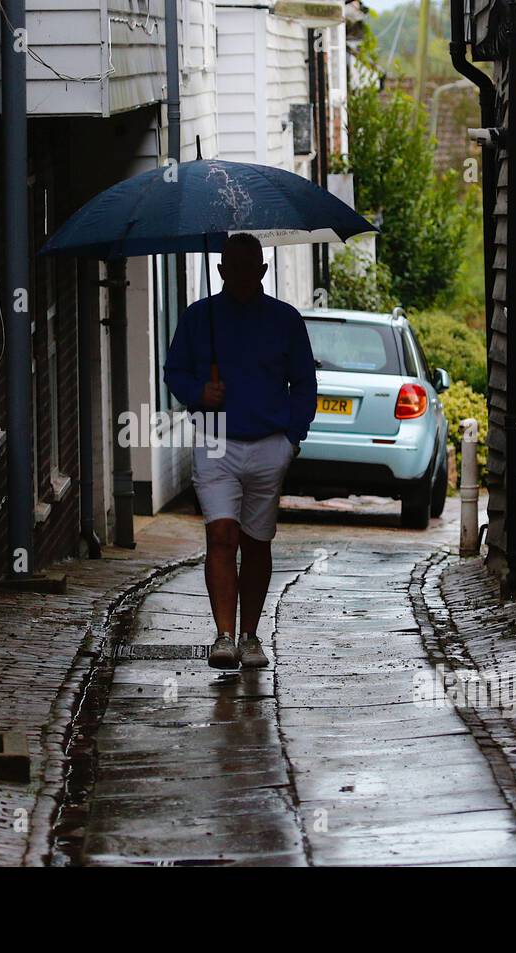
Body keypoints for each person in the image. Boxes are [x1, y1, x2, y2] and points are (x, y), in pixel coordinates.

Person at [163, 233, 318, 669]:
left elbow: (304, 382)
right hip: (215, 436)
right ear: (221, 271)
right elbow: (173, 371)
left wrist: (293, 437)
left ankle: (251, 636)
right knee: (221, 534)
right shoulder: (200, 318)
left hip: (270, 441)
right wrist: (199, 392)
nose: (243, 278)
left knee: (257, 541)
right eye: (234, 270)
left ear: (263, 272)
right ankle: (224, 636)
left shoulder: (285, 320)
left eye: (251, 270)